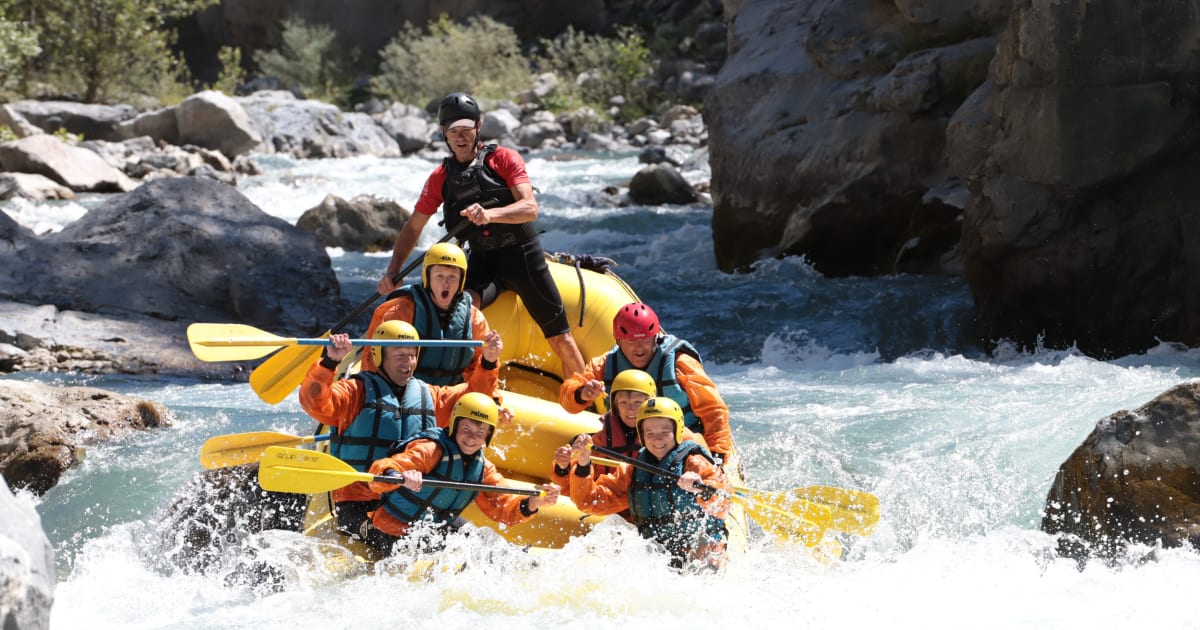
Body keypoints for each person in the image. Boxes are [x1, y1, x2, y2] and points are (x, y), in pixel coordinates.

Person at [376, 91, 586, 378]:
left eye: (466, 129)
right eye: (454, 131)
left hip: (522, 255)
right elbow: (413, 227)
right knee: (460, 311)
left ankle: (588, 396)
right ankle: (453, 385)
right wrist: (393, 270)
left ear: (478, 127)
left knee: (559, 338)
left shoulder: (504, 159)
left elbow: (530, 208)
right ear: (444, 133)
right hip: (482, 260)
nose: (461, 137)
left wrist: (490, 214)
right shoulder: (440, 178)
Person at [299, 320, 503, 535]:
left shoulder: (429, 396)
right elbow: (315, 403)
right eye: (400, 355)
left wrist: (488, 362)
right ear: (379, 356)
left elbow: (474, 401)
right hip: (360, 504)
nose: (408, 362)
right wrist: (329, 362)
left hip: (409, 504)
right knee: (411, 543)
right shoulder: (354, 392)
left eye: (412, 355)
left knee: (473, 539)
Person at [363, 392, 561, 555]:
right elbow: (383, 469)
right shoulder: (431, 449)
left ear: (488, 436)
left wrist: (534, 502)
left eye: (480, 433)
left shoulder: (482, 467)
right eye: (466, 428)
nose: (472, 438)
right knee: (458, 550)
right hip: (392, 530)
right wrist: (399, 476)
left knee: (489, 542)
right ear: (455, 425)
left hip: (434, 527)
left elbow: (503, 506)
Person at [568, 397, 731, 570]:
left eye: (664, 432)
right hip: (659, 553)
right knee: (615, 530)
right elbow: (589, 502)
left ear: (677, 431)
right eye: (650, 433)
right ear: (642, 436)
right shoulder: (633, 470)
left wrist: (700, 488)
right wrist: (583, 465)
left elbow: (724, 502)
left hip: (699, 550)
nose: (657, 440)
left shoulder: (695, 463)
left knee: (705, 554)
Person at [559, 302, 735, 462]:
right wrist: (582, 393)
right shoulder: (605, 364)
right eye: (631, 341)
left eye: (645, 340)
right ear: (618, 340)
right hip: (631, 442)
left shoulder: (680, 362)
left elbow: (714, 410)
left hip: (680, 440)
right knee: (578, 446)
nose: (639, 348)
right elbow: (568, 397)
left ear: (655, 337)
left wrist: (717, 456)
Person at [551, 369, 708, 487]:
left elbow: (712, 480)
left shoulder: (680, 436)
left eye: (637, 403)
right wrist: (562, 468)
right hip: (622, 507)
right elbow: (573, 489)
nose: (630, 409)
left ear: (650, 403)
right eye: (623, 403)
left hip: (662, 508)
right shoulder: (600, 440)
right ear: (615, 406)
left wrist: (700, 486)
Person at [362, 242, 491, 386]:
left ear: (461, 280)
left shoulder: (475, 319)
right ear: (427, 278)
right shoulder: (398, 311)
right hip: (406, 391)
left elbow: (481, 372)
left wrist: (490, 364)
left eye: (452, 277)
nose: (446, 284)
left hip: (449, 395)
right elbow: (373, 363)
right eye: (439, 276)